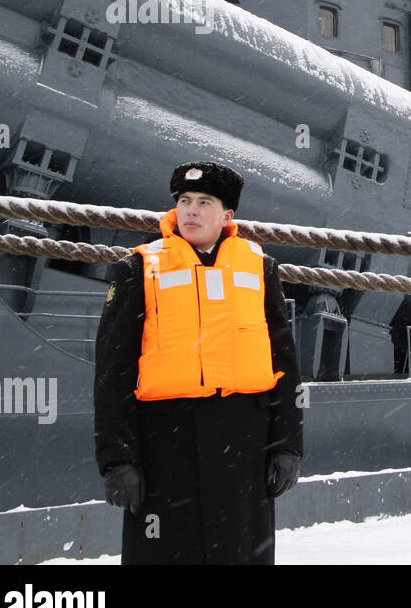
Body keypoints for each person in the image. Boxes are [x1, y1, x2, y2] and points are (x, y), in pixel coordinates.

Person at [94, 161, 303, 564]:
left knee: (241, 552)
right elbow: (113, 372)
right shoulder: (140, 268)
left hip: (244, 442)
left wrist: (288, 446)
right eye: (184, 201)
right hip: (165, 444)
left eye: (203, 202)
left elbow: (284, 362)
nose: (190, 210)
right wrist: (118, 459)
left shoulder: (261, 269)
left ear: (227, 216)